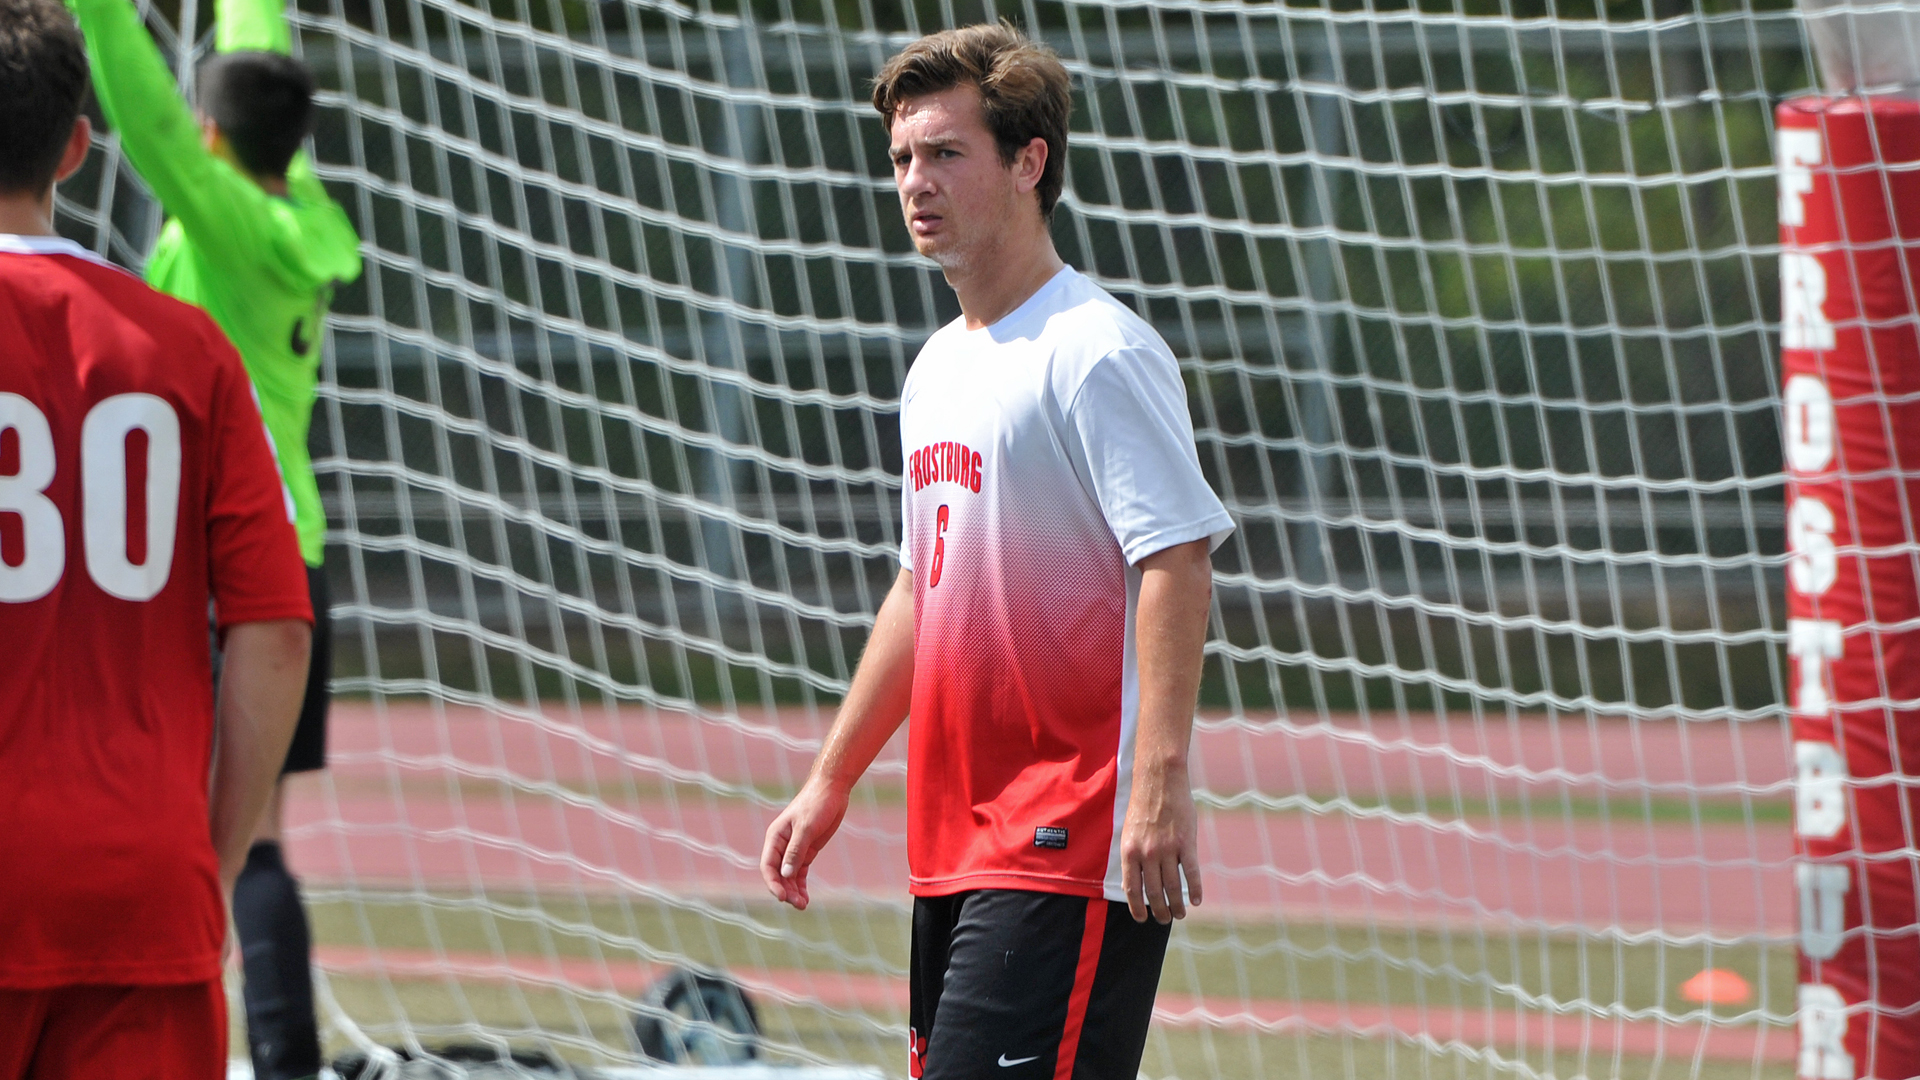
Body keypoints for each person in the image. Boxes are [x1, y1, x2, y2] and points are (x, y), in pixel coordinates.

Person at [760, 23, 1232, 1080]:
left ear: (1029, 162)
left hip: (1067, 839)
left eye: (945, 152)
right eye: (901, 158)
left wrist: (1155, 781)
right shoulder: (936, 370)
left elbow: (1175, 560)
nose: (915, 181)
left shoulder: (1096, 350)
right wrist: (832, 780)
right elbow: (921, 590)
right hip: (953, 844)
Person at [0, 0, 314, 1073]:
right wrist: (209, 860)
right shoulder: (192, 350)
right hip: (140, 884)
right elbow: (276, 634)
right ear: (79, 149)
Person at [62, 0, 361, 1071]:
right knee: (256, 832)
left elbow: (142, 114)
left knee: (181, 833)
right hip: (298, 552)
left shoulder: (223, 220)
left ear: (215, 143)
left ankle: (235, 1051)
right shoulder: (305, 214)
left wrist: (99, 11)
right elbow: (254, 68)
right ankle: (287, 1060)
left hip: (217, 559)